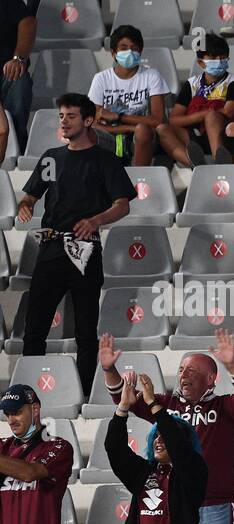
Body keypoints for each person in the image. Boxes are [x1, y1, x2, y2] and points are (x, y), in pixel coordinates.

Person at [17, 93, 134, 398]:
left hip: (86, 249)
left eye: (70, 116)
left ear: (88, 120)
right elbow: (30, 194)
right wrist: (26, 204)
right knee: (35, 329)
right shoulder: (51, 158)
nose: (64, 122)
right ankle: (29, 396)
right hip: (52, 248)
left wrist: (95, 220)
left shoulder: (104, 160)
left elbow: (123, 205)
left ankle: (81, 392)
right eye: (61, 116)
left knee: (86, 330)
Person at [101, 329, 234, 524]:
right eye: (181, 370)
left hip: (216, 506)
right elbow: (123, 397)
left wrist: (232, 367)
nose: (183, 376)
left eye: (191, 371)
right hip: (176, 506)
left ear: (211, 378)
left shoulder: (224, 407)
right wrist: (108, 368)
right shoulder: (165, 405)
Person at [108, 372, 208, 524]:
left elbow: (177, 445)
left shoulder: (194, 471)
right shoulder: (143, 472)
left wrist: (153, 403)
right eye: (156, 436)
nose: (158, 440)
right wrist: (123, 406)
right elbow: (114, 448)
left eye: (164, 437)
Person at [158, 35, 234, 191]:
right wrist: (202, 115)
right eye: (213, 57)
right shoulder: (192, 84)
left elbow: (229, 111)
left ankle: (219, 163)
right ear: (200, 62)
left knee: (212, 116)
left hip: (220, 132)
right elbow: (174, 119)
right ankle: (196, 163)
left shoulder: (233, 81)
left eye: (223, 57)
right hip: (195, 137)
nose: (219, 61)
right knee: (162, 129)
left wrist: (206, 115)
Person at [0, 384, 73, 524]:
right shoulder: (2, 447)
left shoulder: (59, 446)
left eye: (16, 412)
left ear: (35, 409)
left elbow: (29, 473)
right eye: (7, 414)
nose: (11, 420)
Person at [89, 25, 167, 166]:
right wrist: (129, 127)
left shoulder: (151, 76)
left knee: (142, 131)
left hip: (143, 137)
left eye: (134, 48)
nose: (129, 52)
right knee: (83, 133)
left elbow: (158, 120)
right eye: (124, 48)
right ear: (113, 53)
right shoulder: (101, 79)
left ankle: (137, 181)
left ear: (141, 51)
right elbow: (93, 123)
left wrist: (119, 117)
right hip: (110, 136)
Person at [0, 0, 34, 160]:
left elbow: (27, 22)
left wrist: (18, 58)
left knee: (18, 80)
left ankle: (16, 147)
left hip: (6, 71)